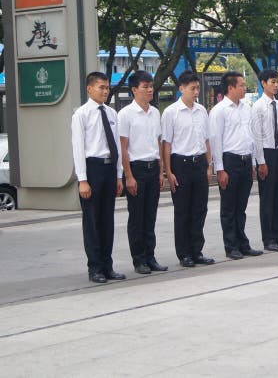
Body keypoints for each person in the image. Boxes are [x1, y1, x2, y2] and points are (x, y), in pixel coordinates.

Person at [71, 72, 126, 284]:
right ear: (89, 89)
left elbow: (117, 148)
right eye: (101, 87)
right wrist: (82, 179)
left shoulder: (112, 113)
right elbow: (78, 148)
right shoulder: (81, 114)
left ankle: (107, 265)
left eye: (107, 88)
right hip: (92, 169)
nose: (105, 91)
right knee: (92, 221)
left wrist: (119, 175)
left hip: (109, 168)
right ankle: (94, 267)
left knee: (107, 220)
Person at [161, 70, 215, 268]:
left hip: (199, 162)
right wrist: (168, 171)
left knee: (200, 209)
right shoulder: (171, 112)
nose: (196, 92)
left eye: (197, 88)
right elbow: (166, 144)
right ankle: (184, 253)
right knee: (183, 210)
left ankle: (197, 250)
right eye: (192, 88)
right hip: (180, 164)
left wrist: (208, 165)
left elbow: (206, 140)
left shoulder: (201, 111)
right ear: (181, 89)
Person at [209, 71, 263, 260]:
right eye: (241, 84)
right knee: (229, 207)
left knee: (241, 207)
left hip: (245, 160)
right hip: (230, 161)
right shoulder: (219, 111)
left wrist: (254, 162)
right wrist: (220, 169)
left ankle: (243, 243)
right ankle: (231, 246)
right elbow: (216, 141)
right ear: (230, 87)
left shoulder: (246, 108)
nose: (244, 87)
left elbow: (252, 137)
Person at [118, 71, 167, 274]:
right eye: (145, 86)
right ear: (134, 89)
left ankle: (150, 256)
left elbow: (158, 142)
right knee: (137, 217)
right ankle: (138, 259)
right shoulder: (125, 114)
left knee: (151, 216)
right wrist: (128, 176)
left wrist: (161, 171)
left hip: (152, 167)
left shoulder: (155, 113)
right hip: (136, 169)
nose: (150, 90)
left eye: (151, 86)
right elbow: (123, 147)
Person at [252, 69, 278, 252]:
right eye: (272, 82)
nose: (276, 85)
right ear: (263, 83)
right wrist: (260, 161)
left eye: (277, 82)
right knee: (267, 197)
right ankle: (268, 238)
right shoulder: (258, 107)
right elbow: (257, 136)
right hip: (267, 153)